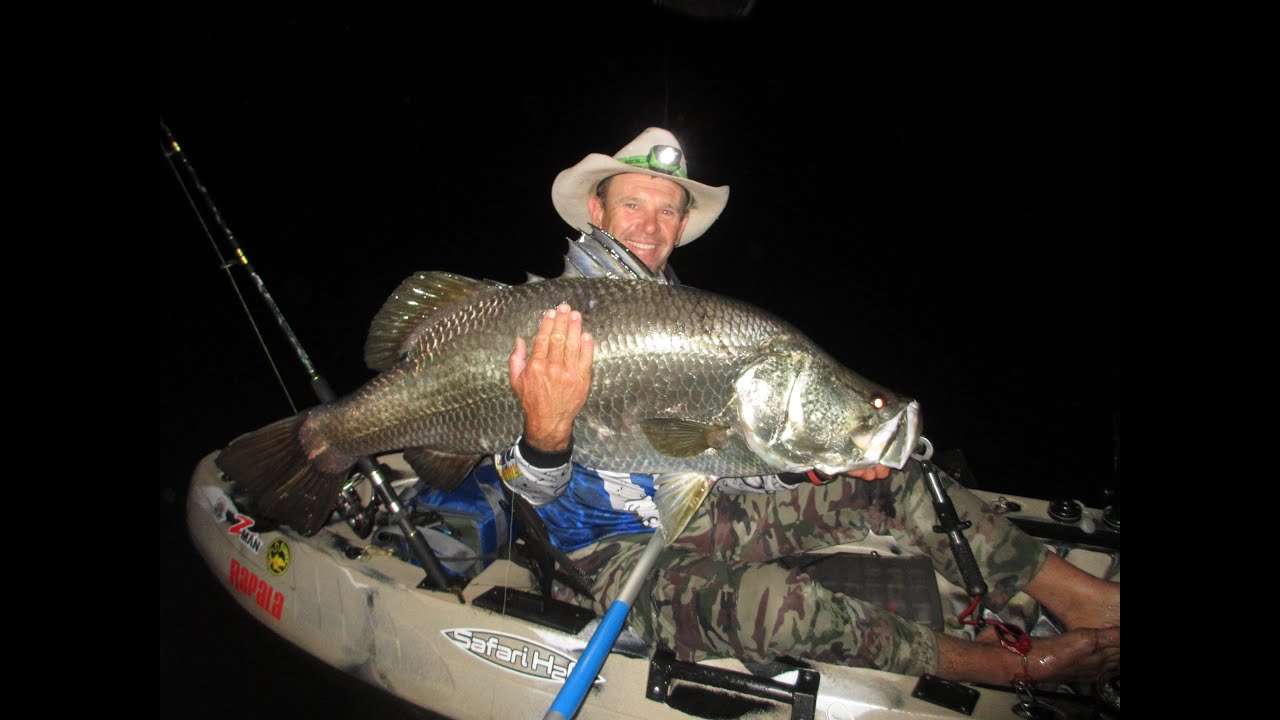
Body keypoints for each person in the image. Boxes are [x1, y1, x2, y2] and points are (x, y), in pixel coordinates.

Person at [495, 127, 1119, 686]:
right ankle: (1000, 665)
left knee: (896, 482)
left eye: (668, 210)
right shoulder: (533, 326)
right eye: (632, 204)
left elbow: (727, 450)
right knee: (779, 604)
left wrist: (819, 464)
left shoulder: (690, 317)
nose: (650, 227)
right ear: (597, 209)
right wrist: (546, 434)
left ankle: (1090, 600)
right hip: (611, 554)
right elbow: (526, 490)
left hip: (705, 511)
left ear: (683, 225)